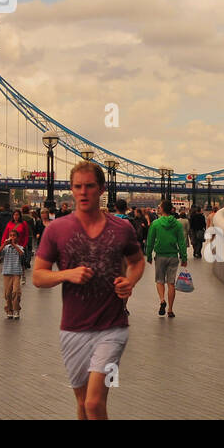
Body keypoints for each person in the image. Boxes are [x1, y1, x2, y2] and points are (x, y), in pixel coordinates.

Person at [33, 161, 145, 421]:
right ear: (71, 190)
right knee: (83, 404)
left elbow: (137, 261)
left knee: (94, 403)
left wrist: (130, 282)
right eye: (77, 187)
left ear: (102, 189)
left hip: (112, 327)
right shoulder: (56, 229)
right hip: (72, 329)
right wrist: (66, 274)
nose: (83, 192)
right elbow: (38, 276)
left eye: (89, 186)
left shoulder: (122, 228)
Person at [145, 198, 187, 319]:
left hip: (160, 255)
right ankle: (170, 309)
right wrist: (184, 257)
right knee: (171, 283)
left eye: (159, 206)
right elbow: (182, 242)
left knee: (159, 280)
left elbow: (150, 241)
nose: (158, 208)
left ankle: (162, 300)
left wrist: (148, 255)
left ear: (162, 209)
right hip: (173, 256)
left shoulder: (156, 224)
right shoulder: (177, 224)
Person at [0, 226, 24, 319]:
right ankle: (9, 309)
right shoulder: (6, 247)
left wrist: (14, 245)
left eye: (14, 236)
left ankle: (16, 309)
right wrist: (4, 245)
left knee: (16, 292)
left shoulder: (19, 247)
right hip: (7, 272)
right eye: (10, 235)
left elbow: (21, 253)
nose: (12, 237)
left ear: (17, 237)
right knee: (7, 293)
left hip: (16, 272)